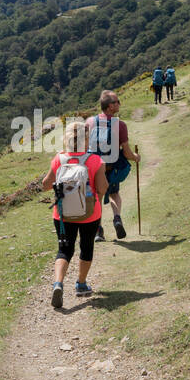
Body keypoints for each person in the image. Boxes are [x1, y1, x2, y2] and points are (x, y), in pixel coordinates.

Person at [41, 120, 108, 309]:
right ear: (87, 140)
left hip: (62, 214)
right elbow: (103, 187)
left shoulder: (58, 159)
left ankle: (58, 283)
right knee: (86, 247)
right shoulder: (95, 160)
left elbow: (45, 185)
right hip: (90, 213)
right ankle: (81, 284)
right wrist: (95, 196)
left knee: (64, 249)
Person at [84, 90, 139, 242]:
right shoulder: (120, 125)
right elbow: (127, 153)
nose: (119, 104)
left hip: (95, 168)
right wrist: (136, 158)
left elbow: (85, 147)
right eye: (117, 102)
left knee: (98, 198)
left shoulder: (90, 122)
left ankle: (98, 231)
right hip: (112, 167)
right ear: (109, 107)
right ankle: (116, 218)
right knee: (114, 194)